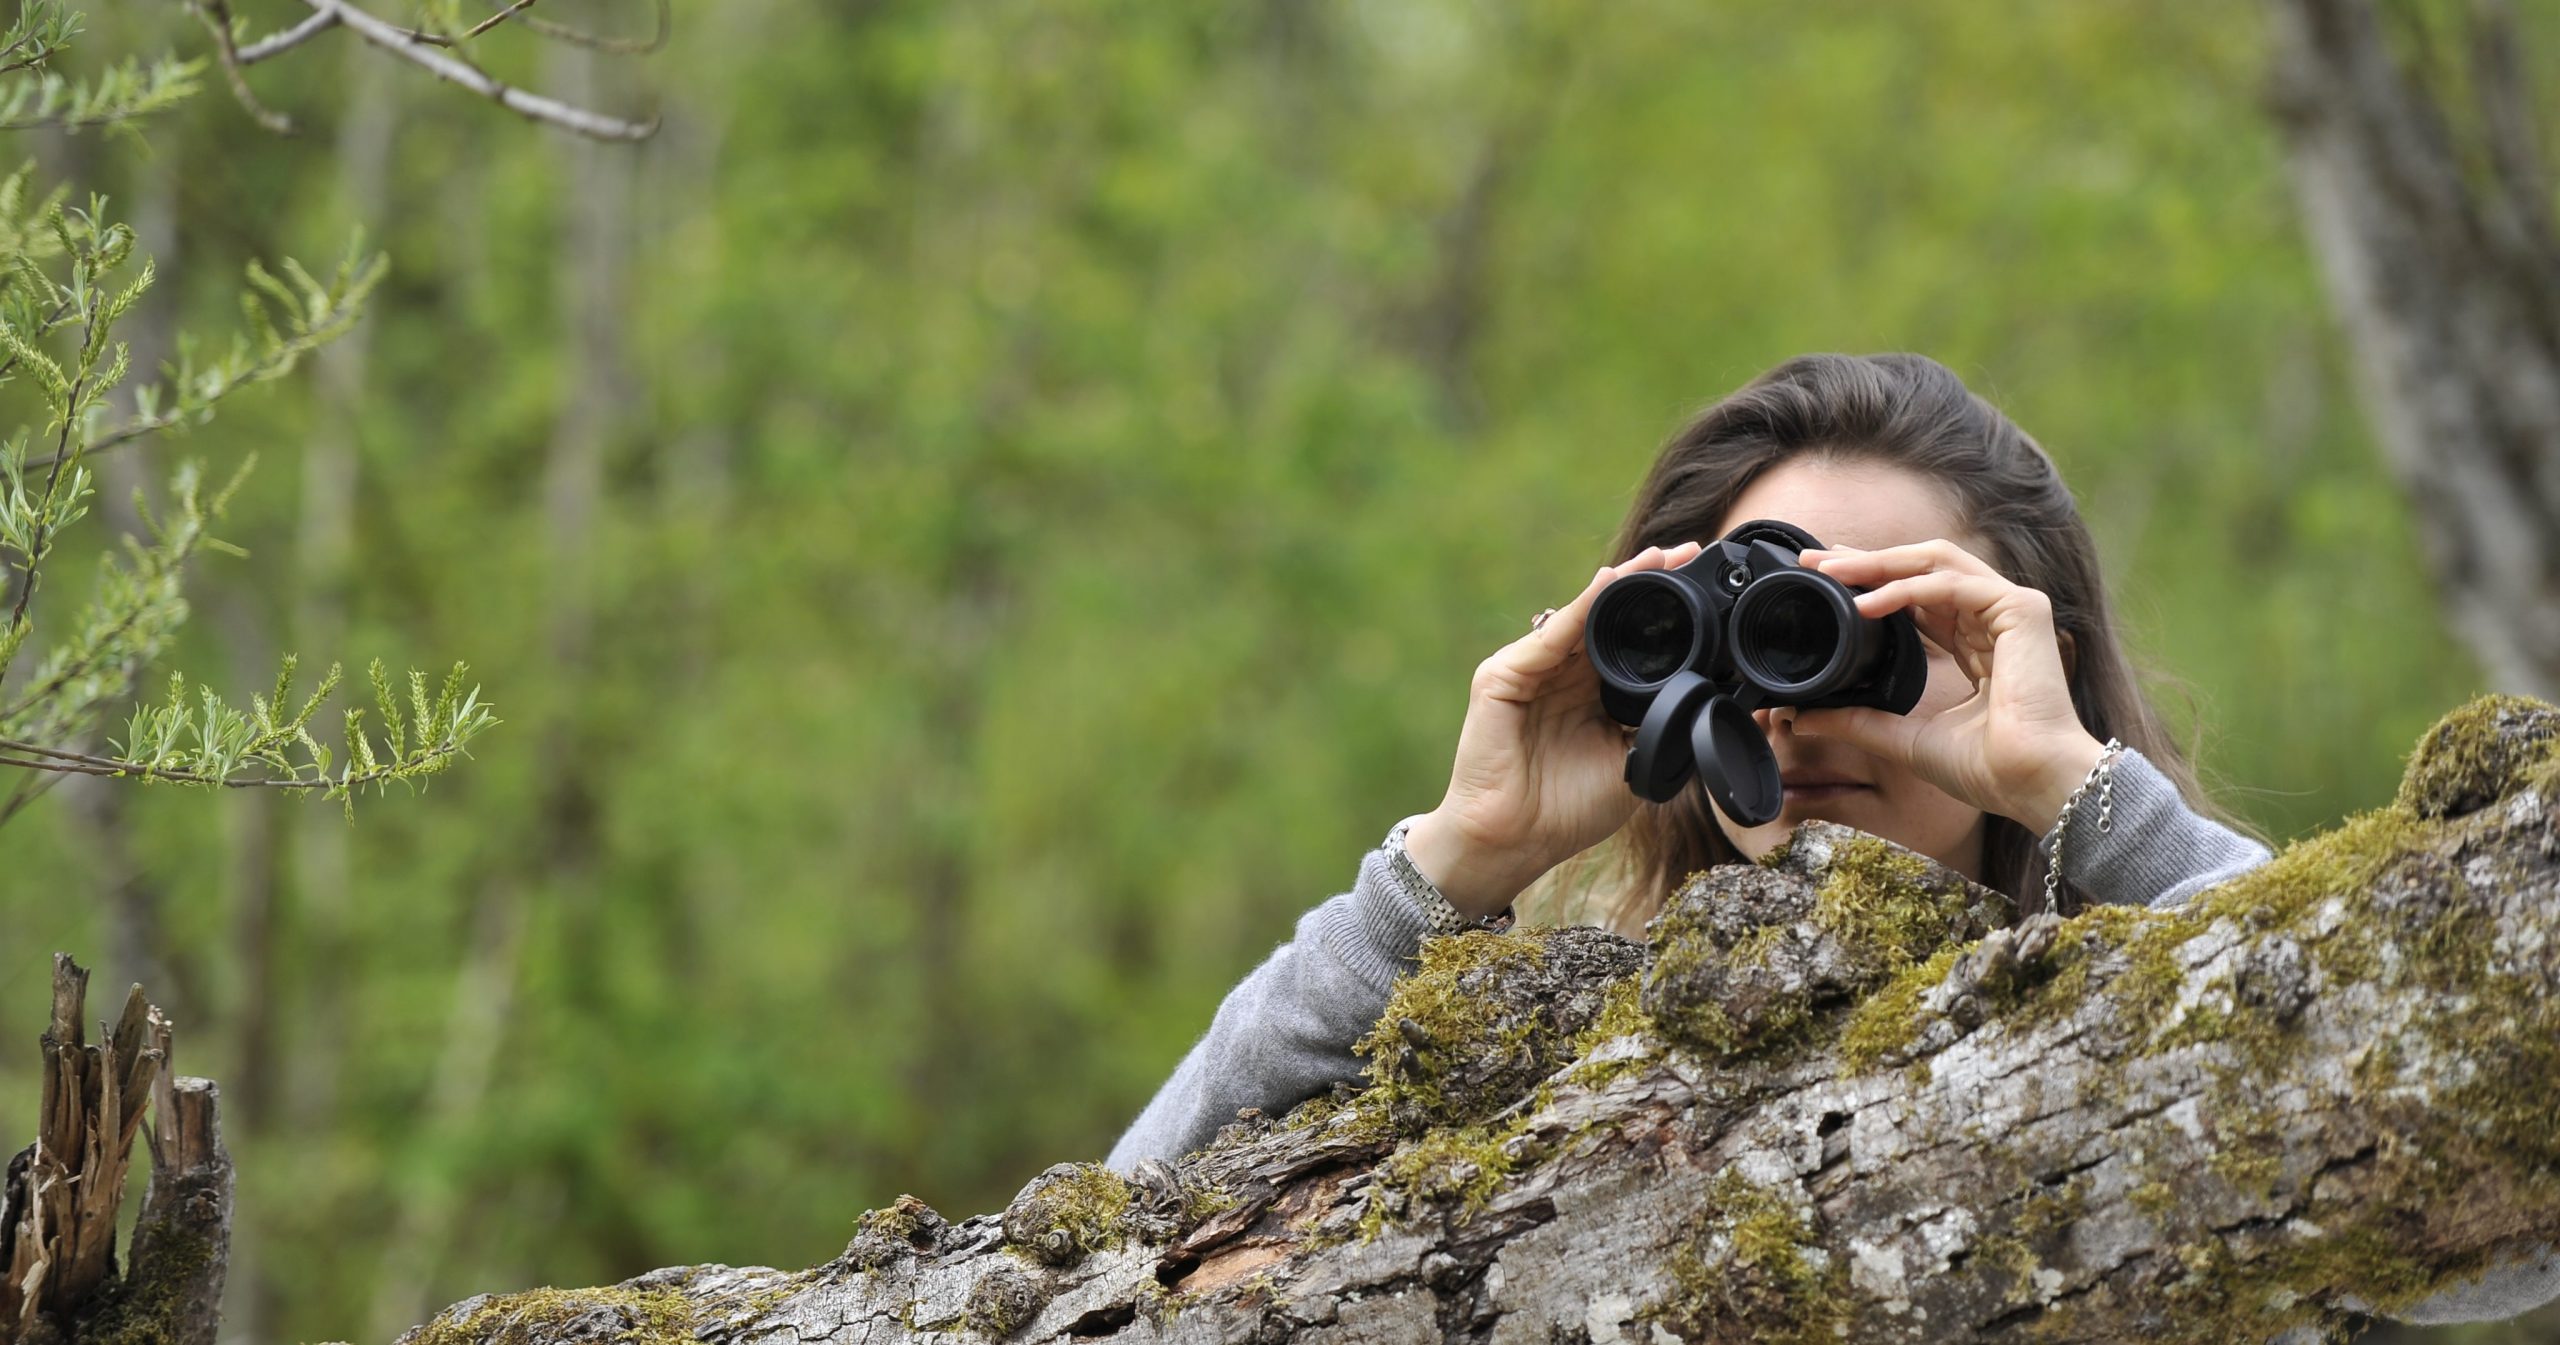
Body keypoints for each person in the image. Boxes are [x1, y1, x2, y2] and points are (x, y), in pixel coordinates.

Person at [1103, 353, 2555, 1327]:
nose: (1798, 701)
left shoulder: (2170, 1029)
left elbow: (2499, 1222)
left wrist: (2085, 793)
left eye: (1878, 627)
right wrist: (1453, 864)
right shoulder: (1561, 1069)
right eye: (1762, 629)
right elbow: (1097, 1261)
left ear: (2027, 656)